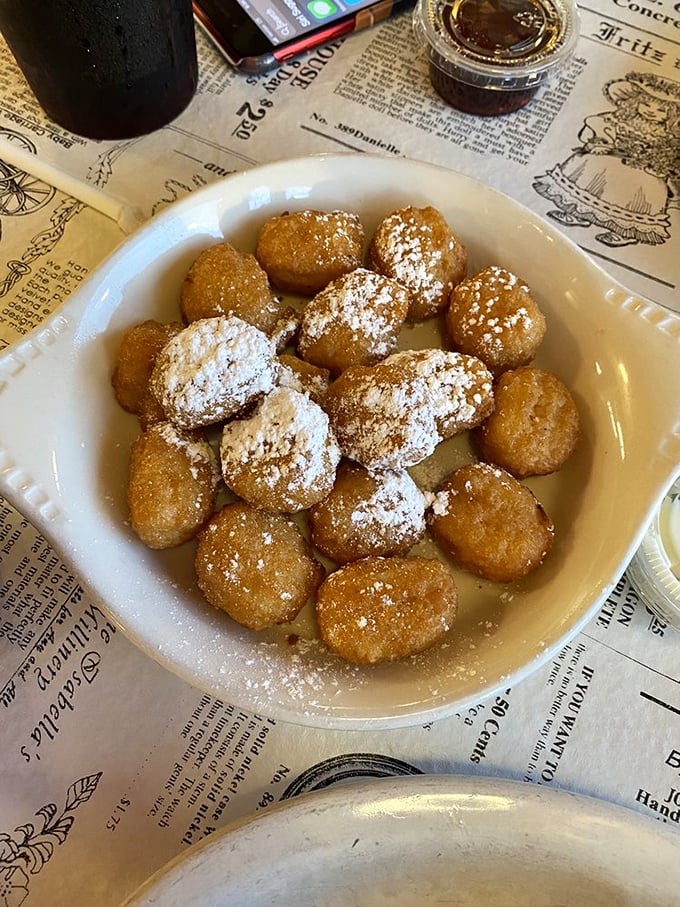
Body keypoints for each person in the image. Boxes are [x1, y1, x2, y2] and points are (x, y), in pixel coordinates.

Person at [533, 71, 680, 247]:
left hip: (645, 170)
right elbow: (594, 132)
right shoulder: (616, 120)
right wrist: (599, 143)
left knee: (643, 190)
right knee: (591, 166)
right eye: (646, 104)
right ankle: (578, 213)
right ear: (634, 103)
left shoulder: (668, 137)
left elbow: (668, 158)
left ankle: (625, 232)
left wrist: (656, 163)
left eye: (661, 110)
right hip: (610, 156)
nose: (651, 111)